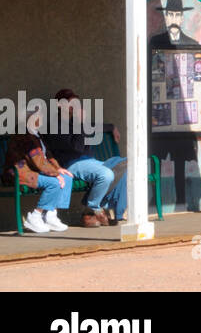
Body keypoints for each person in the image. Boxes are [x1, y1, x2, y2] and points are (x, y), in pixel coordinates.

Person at [45, 89, 125, 226]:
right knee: (106, 174)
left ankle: (104, 213)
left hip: (91, 163)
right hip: (72, 164)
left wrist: (112, 127)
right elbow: (76, 148)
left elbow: (94, 126)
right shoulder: (54, 126)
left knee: (126, 164)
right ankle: (93, 208)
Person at [2, 103, 74, 234]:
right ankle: (35, 216)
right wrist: (55, 174)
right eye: (40, 116)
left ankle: (51, 214)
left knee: (67, 178)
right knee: (54, 183)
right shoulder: (24, 134)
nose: (42, 119)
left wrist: (58, 169)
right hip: (21, 172)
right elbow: (37, 161)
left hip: (35, 171)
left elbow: (48, 156)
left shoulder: (36, 133)